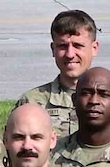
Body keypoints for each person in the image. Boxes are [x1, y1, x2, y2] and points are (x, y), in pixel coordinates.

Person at [17, 9, 100, 139]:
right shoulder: (32, 103)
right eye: (62, 46)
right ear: (53, 49)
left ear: (94, 48)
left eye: (78, 46)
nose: (70, 54)